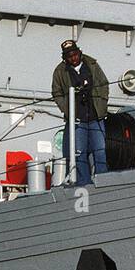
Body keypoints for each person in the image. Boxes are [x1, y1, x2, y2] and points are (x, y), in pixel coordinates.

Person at [51, 39, 109, 186]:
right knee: (79, 152)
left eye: (75, 54)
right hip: (77, 119)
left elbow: (104, 84)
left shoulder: (92, 65)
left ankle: (103, 180)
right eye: (69, 56)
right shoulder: (60, 71)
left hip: (96, 115)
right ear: (65, 58)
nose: (73, 58)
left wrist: (102, 102)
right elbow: (56, 92)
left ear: (79, 52)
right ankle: (84, 182)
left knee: (100, 150)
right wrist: (67, 109)